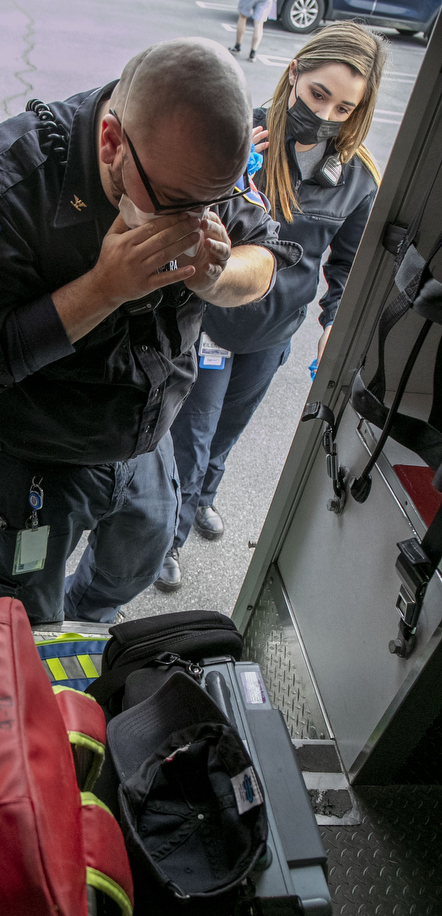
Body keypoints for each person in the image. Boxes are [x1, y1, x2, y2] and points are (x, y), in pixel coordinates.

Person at [0, 37, 300, 624]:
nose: (195, 220)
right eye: (178, 202)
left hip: (145, 439)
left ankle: (87, 625)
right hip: (36, 452)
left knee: (134, 566)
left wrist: (215, 273)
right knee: (19, 616)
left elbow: (267, 260)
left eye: (213, 202)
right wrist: (103, 289)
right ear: (111, 143)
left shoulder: (195, 173)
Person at [155, 22, 386, 592]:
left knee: (228, 430)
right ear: (293, 75)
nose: (326, 114)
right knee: (193, 435)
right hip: (212, 318)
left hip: (274, 329)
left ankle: (204, 498)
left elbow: (346, 263)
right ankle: (168, 537)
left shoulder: (357, 175)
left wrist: (334, 321)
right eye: (317, 95)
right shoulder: (236, 132)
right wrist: (232, 180)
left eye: (343, 106)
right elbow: (175, 209)